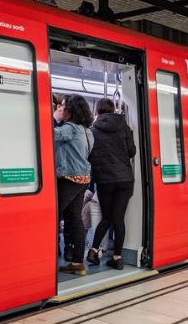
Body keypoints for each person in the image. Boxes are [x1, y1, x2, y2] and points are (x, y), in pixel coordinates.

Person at [86, 98, 135, 270]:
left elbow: (89, 155)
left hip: (105, 180)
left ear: (97, 111)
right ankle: (117, 258)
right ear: (113, 110)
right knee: (118, 219)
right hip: (125, 181)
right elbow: (132, 151)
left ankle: (93, 250)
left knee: (106, 217)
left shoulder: (92, 131)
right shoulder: (124, 127)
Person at [53, 95, 93, 276]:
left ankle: (47, 258)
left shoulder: (69, 128)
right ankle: (78, 263)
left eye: (62, 107)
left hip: (68, 179)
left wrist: (54, 118)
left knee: (52, 216)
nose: (61, 109)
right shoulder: (87, 131)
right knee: (74, 220)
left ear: (70, 110)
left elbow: (49, 133)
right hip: (83, 180)